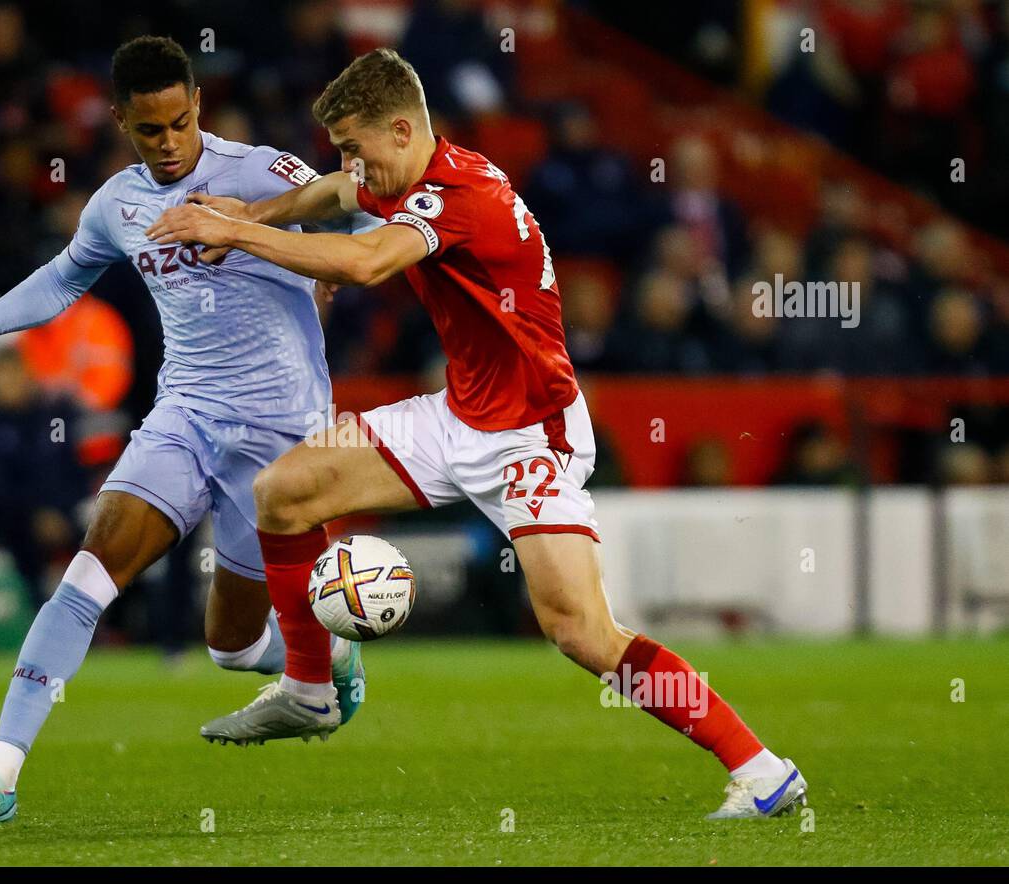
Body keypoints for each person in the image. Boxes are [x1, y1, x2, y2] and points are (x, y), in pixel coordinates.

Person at [149, 48, 807, 820]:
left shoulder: (460, 196)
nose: (352, 166)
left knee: (581, 632)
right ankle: (309, 687)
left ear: (403, 128)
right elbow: (337, 191)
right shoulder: (406, 170)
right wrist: (253, 215)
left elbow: (365, 264)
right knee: (284, 491)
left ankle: (761, 770)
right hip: (457, 414)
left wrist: (236, 233)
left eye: (359, 146)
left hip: (532, 434)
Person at [0, 36, 372, 825]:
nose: (167, 144)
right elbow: (66, 274)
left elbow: (353, 208)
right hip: (184, 416)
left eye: (177, 123)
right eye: (148, 130)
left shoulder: (263, 171)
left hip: (278, 438)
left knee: (230, 647)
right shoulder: (117, 204)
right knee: (88, 575)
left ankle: (330, 651)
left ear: (197, 104)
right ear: (122, 122)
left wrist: (312, 263)